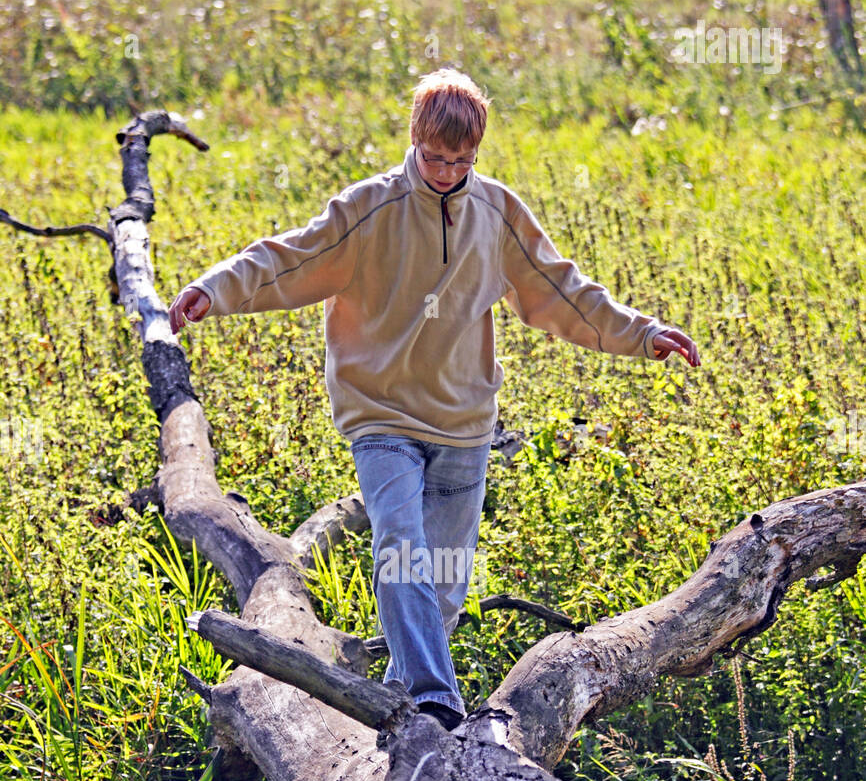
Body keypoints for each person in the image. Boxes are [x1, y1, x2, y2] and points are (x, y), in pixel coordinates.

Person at [169, 68, 699, 732]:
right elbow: (290, 258)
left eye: (462, 161)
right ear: (414, 139)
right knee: (399, 544)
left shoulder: (497, 213)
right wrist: (214, 290)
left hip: (464, 424)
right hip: (382, 416)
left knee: (444, 587)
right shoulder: (371, 208)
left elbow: (564, 292)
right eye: (435, 157)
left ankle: (397, 710)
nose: (447, 172)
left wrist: (642, 333)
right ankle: (436, 701)